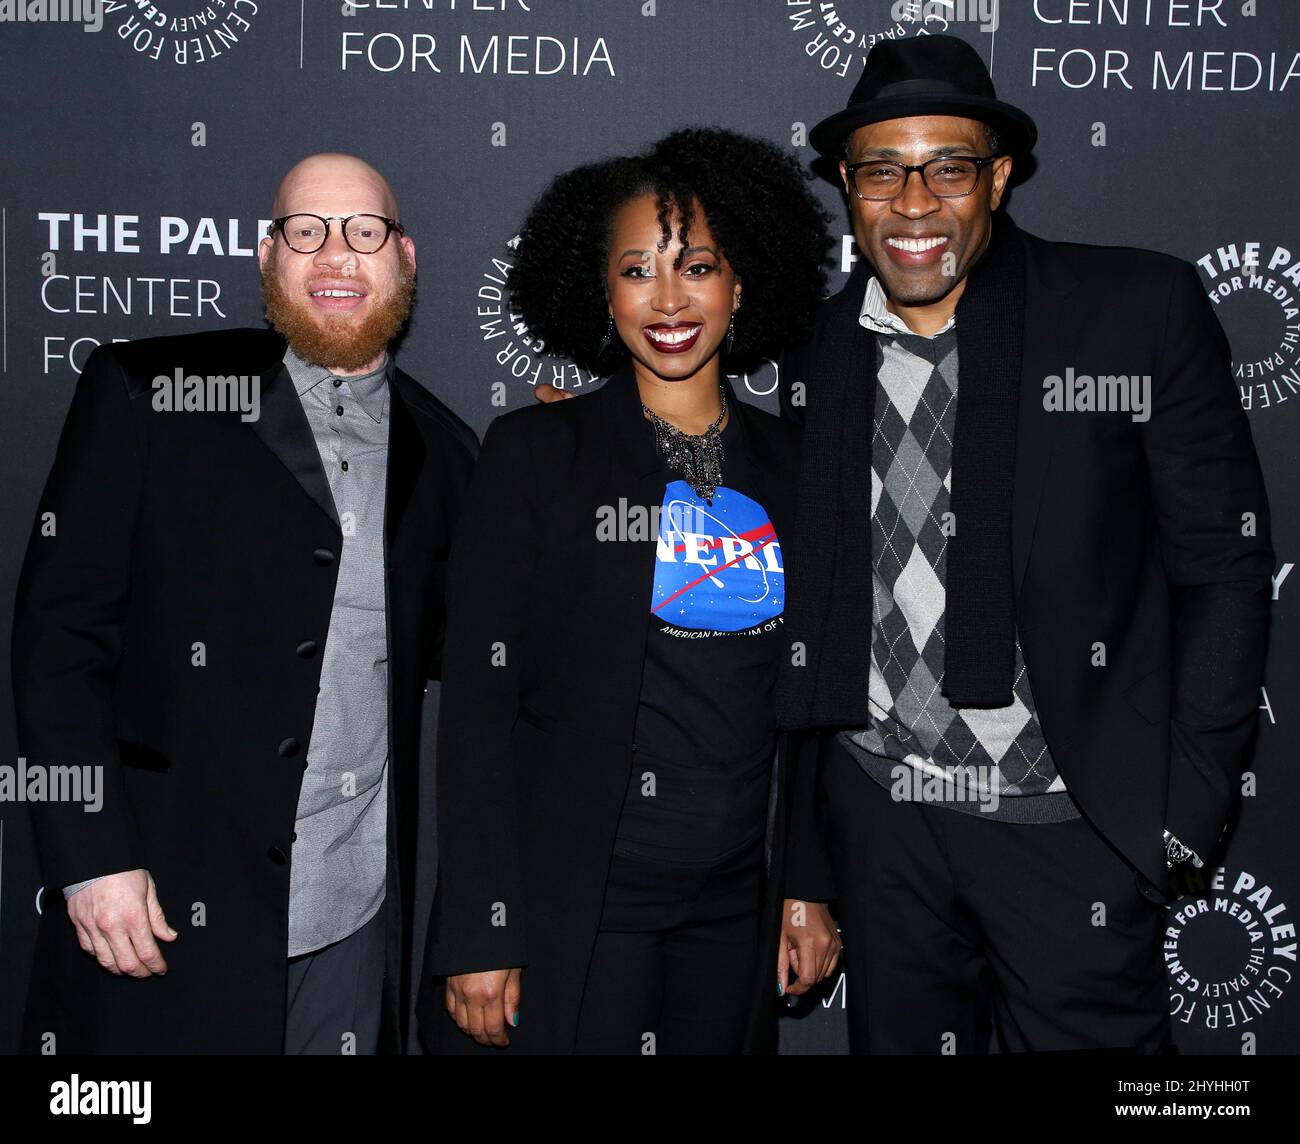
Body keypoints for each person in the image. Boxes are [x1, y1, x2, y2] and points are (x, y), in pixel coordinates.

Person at [775, 35, 1274, 1052]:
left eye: (947, 167)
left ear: (997, 179)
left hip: (1069, 830)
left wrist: (1182, 821)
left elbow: (1223, 569)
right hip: (884, 820)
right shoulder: (817, 346)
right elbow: (809, 607)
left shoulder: (1133, 311)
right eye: (882, 169)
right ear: (846, 184)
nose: (913, 202)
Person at [13, 153, 478, 1054]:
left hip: (351, 930)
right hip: (155, 911)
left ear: (407, 258)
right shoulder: (149, 391)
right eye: (305, 232)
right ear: (267, 259)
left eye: (364, 233)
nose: (335, 257)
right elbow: (56, 639)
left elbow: (481, 667)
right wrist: (92, 858)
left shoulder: (453, 456)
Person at [418, 128, 840, 1055]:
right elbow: (480, 708)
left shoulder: (797, 469)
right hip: (580, 896)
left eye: (698, 266)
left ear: (742, 282)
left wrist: (805, 884)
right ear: (602, 294)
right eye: (637, 270)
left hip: (735, 904)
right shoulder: (537, 456)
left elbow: (814, 710)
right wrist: (485, 927)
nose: (670, 298)